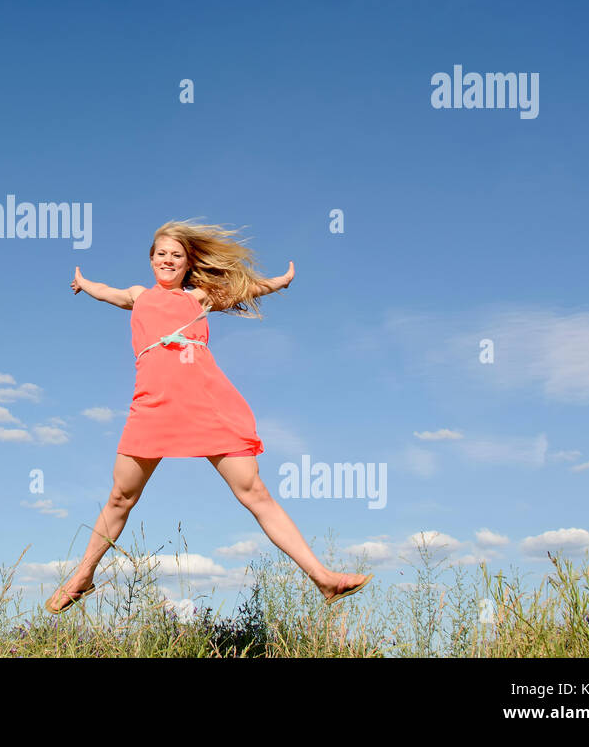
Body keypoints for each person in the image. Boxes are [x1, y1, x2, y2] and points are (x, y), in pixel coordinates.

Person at [45, 219, 372, 613]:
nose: (168, 260)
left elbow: (244, 290)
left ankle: (324, 579)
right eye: (162, 253)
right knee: (120, 497)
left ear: (187, 264)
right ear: (151, 260)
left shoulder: (199, 298)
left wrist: (279, 282)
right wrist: (85, 284)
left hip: (206, 404)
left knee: (255, 491)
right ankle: (83, 577)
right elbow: (107, 293)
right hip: (153, 406)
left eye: (176, 256)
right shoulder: (138, 296)